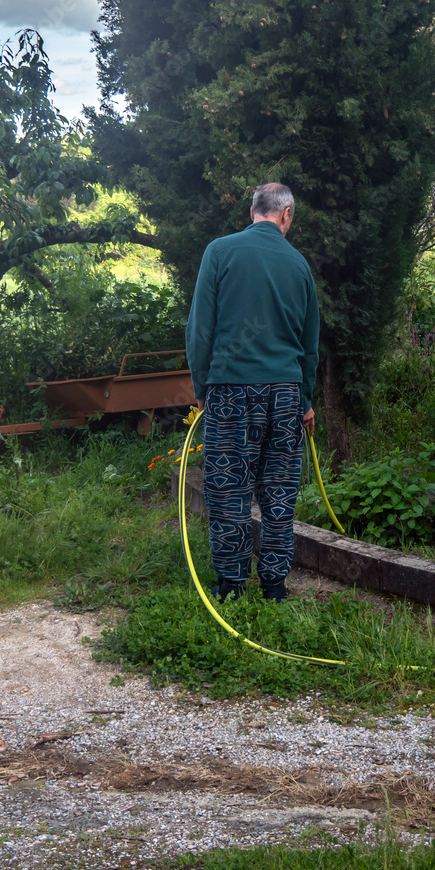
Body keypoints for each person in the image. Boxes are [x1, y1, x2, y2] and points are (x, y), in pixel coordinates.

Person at [185, 182, 319, 602]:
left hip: (230, 390)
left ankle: (230, 584)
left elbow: (199, 330)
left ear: (252, 211)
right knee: (279, 488)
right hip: (285, 393)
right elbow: (310, 343)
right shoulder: (299, 265)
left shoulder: (220, 252)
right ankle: (275, 585)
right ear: (286, 215)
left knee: (228, 488)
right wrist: (306, 400)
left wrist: (202, 385)